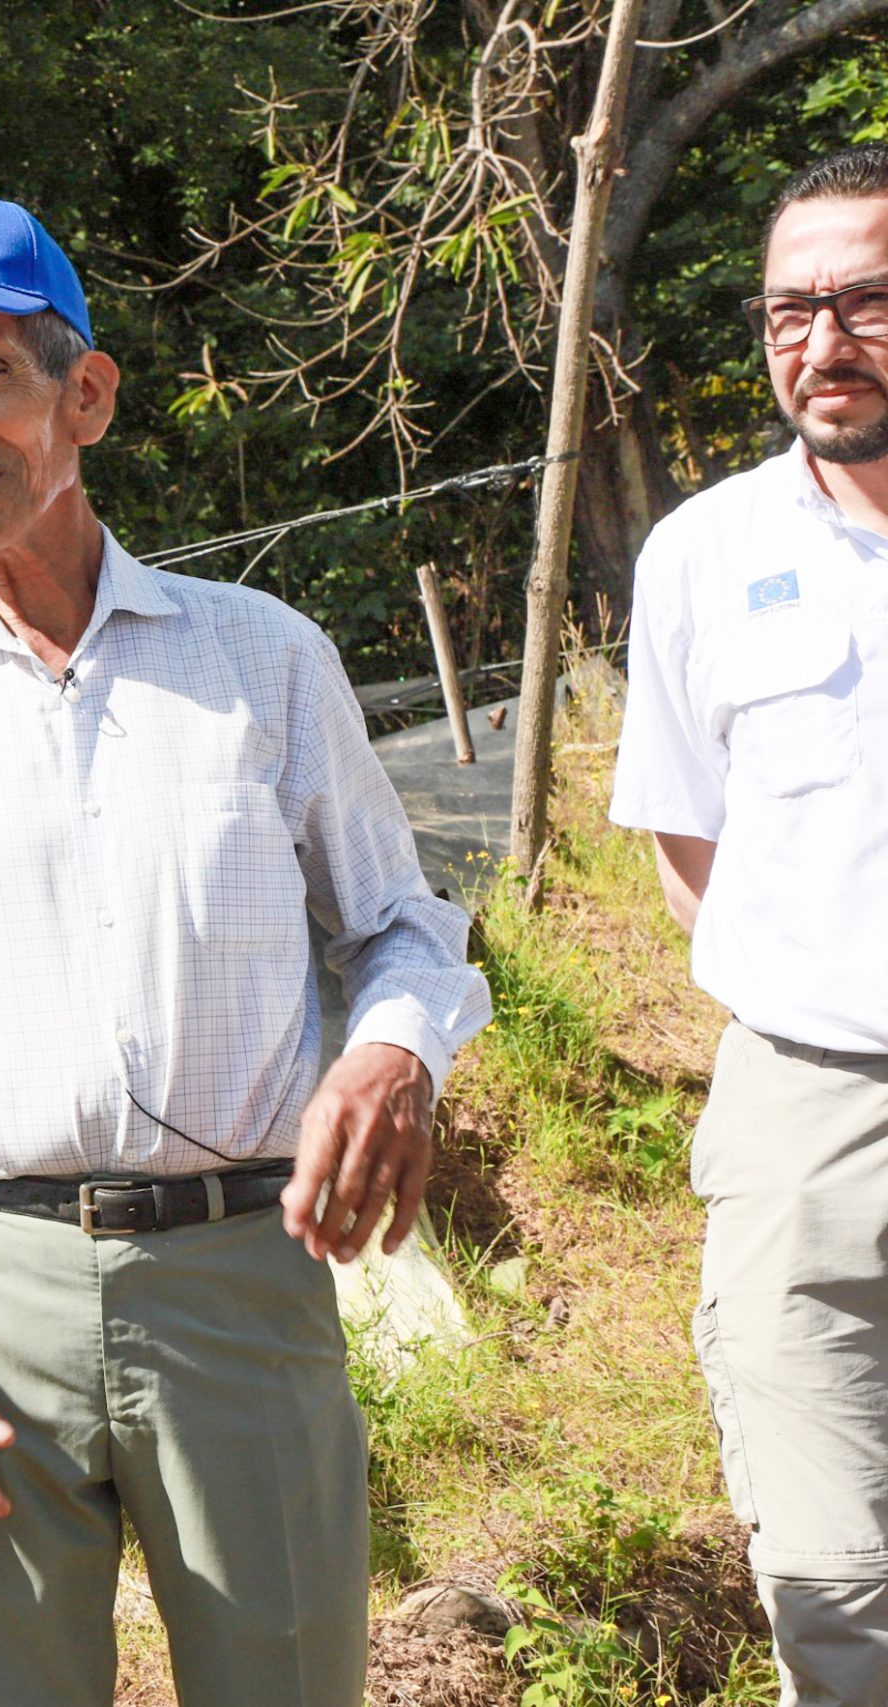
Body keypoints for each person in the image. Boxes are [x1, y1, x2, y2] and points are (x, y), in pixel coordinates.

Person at [0, 196, 491, 1704]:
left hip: (242, 1278)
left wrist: (397, 1045)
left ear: (85, 397)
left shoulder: (262, 660)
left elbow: (403, 927)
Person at [611, 143, 888, 1707]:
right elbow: (686, 840)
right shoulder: (706, 556)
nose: (824, 344)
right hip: (809, 1118)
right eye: (793, 309)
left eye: (865, 301)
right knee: (833, 1582)